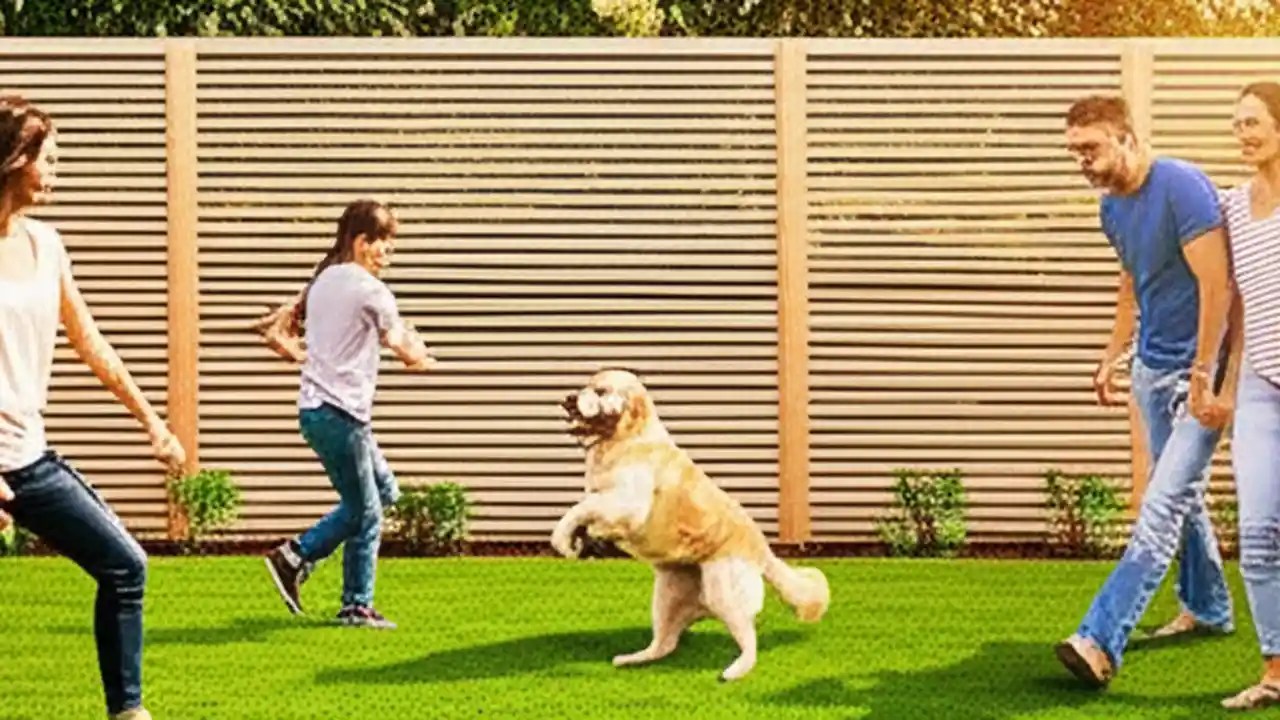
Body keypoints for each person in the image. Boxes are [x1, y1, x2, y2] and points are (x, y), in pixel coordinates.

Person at [0, 94, 186, 720]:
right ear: (13, 159)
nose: (55, 170)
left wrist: (151, 420)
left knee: (125, 563)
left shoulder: (47, 245)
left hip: (27, 458)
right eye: (47, 157)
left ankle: (127, 713)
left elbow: (88, 340)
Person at [1053, 94, 1237, 687]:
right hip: (1151, 372)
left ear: (1127, 138)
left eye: (1091, 147)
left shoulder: (1181, 186)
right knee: (1179, 497)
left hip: (1195, 379)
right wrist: (1112, 355)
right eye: (1074, 150)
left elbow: (1219, 287)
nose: (1081, 160)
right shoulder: (1112, 207)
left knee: (1159, 507)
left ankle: (1099, 639)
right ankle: (1210, 608)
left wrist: (1205, 375)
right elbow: (1133, 284)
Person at [258, 199, 434, 630]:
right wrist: (423, 355)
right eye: (383, 245)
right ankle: (333, 586)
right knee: (366, 510)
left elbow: (277, 331)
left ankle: (306, 564)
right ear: (360, 242)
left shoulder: (320, 282)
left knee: (384, 492)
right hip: (341, 415)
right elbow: (403, 348)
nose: (387, 256)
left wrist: (298, 350)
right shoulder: (371, 290)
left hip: (321, 412)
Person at [1207, 80, 1280, 711]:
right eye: (1236, 124)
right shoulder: (1231, 206)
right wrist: (1225, 384)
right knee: (1258, 530)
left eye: (1253, 122)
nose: (1242, 133)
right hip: (1260, 384)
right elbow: (1235, 305)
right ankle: (1275, 672)